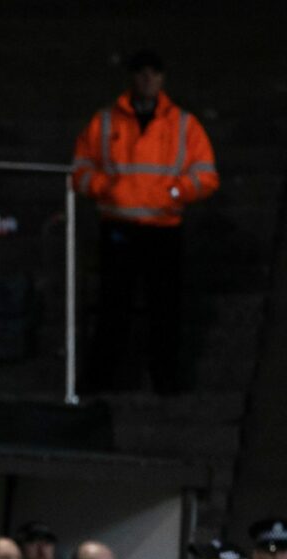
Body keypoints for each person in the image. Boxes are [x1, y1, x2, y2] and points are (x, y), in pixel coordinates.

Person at [74, 51, 218, 395]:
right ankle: (102, 383)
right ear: (132, 78)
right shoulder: (105, 122)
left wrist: (173, 192)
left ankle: (164, 383)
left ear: (162, 78)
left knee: (164, 311)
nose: (148, 80)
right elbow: (79, 171)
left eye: (154, 74)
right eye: (141, 73)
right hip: (120, 226)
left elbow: (207, 176)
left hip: (161, 228)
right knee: (113, 310)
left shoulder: (183, 124)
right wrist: (107, 188)